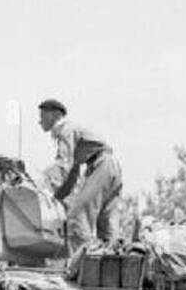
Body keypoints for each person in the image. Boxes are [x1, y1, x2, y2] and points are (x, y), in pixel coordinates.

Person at [37, 98, 123, 246]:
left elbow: (63, 165)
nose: (40, 121)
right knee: (106, 221)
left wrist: (44, 186)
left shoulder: (65, 130)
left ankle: (82, 262)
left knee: (77, 216)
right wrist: (58, 197)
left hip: (101, 165)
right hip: (111, 166)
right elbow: (72, 174)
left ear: (54, 115)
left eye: (42, 116)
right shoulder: (74, 132)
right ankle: (109, 259)